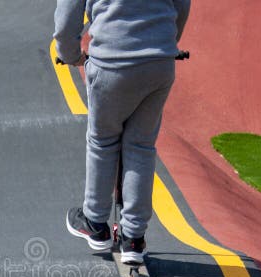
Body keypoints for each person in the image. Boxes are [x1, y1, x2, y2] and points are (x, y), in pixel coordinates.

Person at [55, 0, 190, 263]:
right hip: (159, 63)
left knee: (103, 141)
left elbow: (66, 19)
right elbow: (182, 6)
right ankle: (134, 237)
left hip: (111, 60)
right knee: (141, 146)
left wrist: (71, 55)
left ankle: (94, 220)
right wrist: (167, 44)